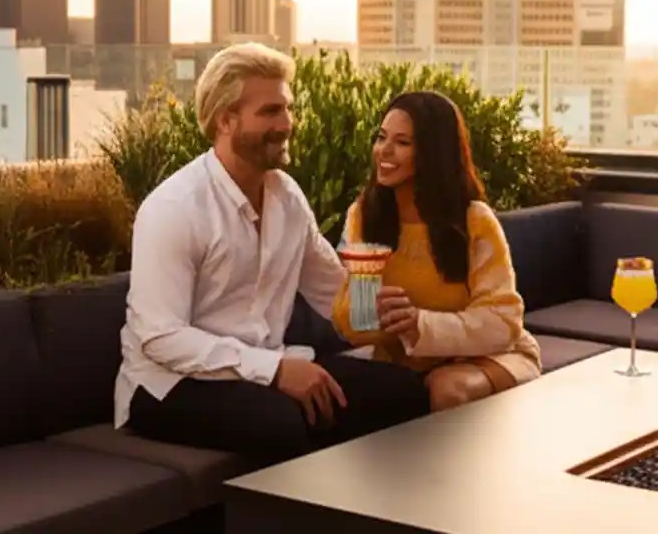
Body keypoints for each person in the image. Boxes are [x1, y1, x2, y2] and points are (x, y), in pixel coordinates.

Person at [114, 42, 429, 466]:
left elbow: (332, 290)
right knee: (283, 421)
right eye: (270, 112)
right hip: (169, 385)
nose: (286, 124)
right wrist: (276, 370)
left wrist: (388, 316)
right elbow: (161, 338)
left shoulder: (286, 197)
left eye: (287, 109)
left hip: (263, 370)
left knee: (402, 392)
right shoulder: (174, 208)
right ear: (225, 119)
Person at [332, 91, 542, 411]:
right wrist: (370, 311)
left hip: (493, 355)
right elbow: (353, 327)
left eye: (403, 142)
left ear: (432, 153)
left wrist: (420, 325)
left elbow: (503, 323)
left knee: (446, 387)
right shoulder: (363, 216)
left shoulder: (474, 220)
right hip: (407, 366)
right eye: (381, 137)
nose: (384, 151)